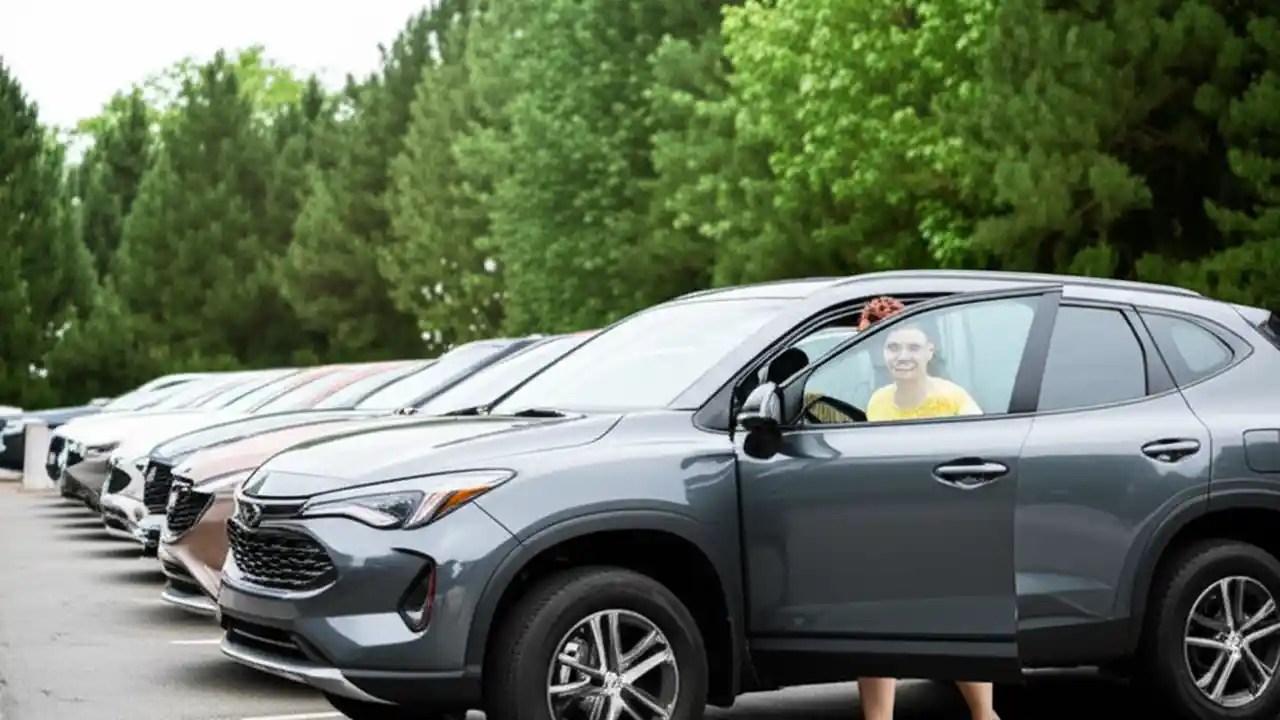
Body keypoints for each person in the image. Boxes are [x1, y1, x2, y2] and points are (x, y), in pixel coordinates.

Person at [856, 300, 997, 720]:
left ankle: (984, 715)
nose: (902, 356)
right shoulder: (877, 403)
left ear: (930, 351)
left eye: (912, 347)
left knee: (948, 626)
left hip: (947, 530)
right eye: (893, 347)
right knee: (874, 627)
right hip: (893, 531)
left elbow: (983, 462)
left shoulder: (954, 400)